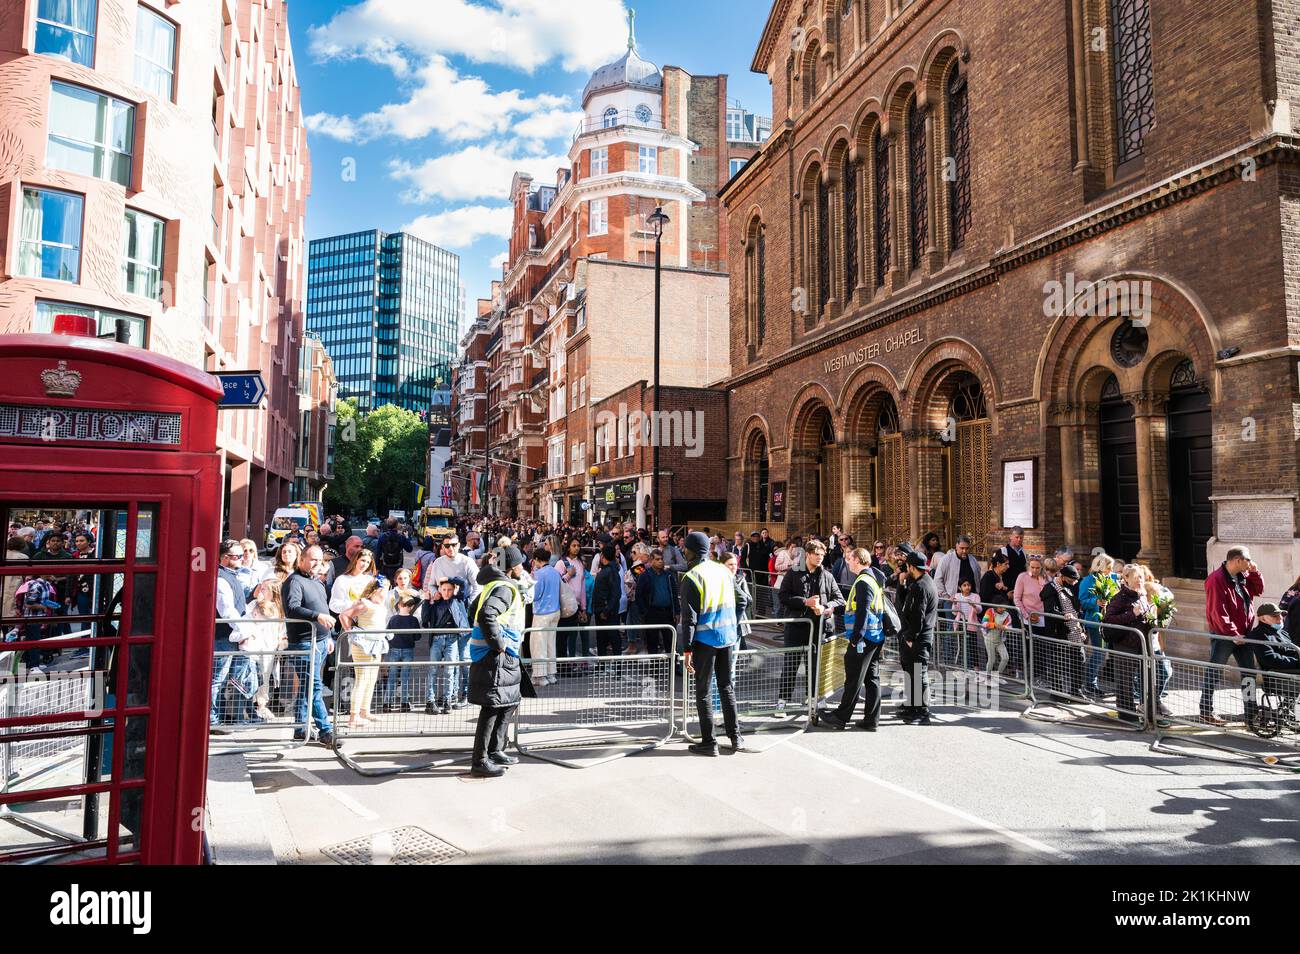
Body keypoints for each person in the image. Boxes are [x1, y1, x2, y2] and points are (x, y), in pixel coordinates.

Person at [679, 531, 744, 755]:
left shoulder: (692, 577)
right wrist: (733, 625)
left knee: (704, 692)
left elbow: (688, 620)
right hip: (727, 637)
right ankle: (736, 738)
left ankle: (709, 742)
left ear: (691, 551)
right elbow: (742, 599)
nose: (683, 552)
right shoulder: (723, 571)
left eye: (685, 548)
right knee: (726, 687)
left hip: (705, 640)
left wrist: (686, 650)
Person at [467, 545, 527, 778]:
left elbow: (475, 611)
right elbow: (485, 614)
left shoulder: (495, 585)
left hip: (501, 652)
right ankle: (481, 760)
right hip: (496, 654)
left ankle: (495, 749)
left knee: (506, 702)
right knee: (492, 706)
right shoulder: (504, 587)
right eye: (521, 562)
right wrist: (498, 643)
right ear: (512, 567)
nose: (523, 566)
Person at [820, 547, 886, 731]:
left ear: (857, 560)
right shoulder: (872, 578)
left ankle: (841, 717)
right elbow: (856, 606)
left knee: (853, 678)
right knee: (872, 678)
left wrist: (856, 638)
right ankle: (871, 720)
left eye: (850, 559)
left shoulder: (863, 581)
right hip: (875, 636)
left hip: (864, 638)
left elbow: (863, 611)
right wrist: (835, 609)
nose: (848, 562)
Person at [1200, 546, 1264, 725]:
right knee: (1214, 672)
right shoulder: (1216, 579)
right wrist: (1233, 634)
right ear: (1237, 560)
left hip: (1244, 634)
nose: (1250, 563)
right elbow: (1217, 611)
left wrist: (1255, 573)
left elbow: (1258, 590)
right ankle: (1205, 711)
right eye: (1248, 560)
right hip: (1225, 636)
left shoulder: (1243, 576)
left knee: (1249, 674)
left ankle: (1251, 713)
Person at [777, 539, 844, 708]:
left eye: (822, 554)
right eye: (816, 554)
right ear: (808, 554)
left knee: (815, 665)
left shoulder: (827, 575)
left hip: (819, 628)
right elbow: (783, 596)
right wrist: (805, 602)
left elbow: (839, 600)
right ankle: (783, 701)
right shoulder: (793, 573)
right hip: (796, 627)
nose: (820, 557)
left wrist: (826, 607)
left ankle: (813, 697)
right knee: (790, 665)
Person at [281, 545, 336, 746]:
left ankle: (300, 728)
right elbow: (293, 608)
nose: (317, 564)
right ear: (302, 559)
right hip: (304, 643)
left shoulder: (318, 583)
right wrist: (317, 616)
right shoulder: (294, 581)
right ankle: (326, 731)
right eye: (313, 559)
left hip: (321, 642)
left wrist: (328, 636)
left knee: (308, 687)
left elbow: (324, 607)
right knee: (313, 687)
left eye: (320, 560)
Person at [1102, 565, 1153, 724]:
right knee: (1125, 680)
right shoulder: (1120, 597)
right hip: (1125, 644)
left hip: (1143, 644)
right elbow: (1108, 620)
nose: (1140, 580)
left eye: (1141, 577)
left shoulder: (1142, 595)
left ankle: (1148, 709)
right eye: (1136, 577)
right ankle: (1126, 714)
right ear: (1126, 579)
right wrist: (1132, 614)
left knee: (1148, 677)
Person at [338, 579, 390, 728]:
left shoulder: (379, 605)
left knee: (372, 678)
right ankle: (353, 717)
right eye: (382, 591)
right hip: (363, 645)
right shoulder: (365, 603)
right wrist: (352, 633)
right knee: (362, 679)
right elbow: (344, 615)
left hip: (377, 644)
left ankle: (364, 711)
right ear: (375, 590)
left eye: (386, 591)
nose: (384, 594)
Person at [211, 539, 249, 735]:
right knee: (217, 679)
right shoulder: (221, 578)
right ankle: (212, 720)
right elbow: (227, 611)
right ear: (224, 558)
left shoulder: (231, 575)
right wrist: (244, 633)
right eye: (237, 556)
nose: (242, 559)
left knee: (228, 679)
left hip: (231, 636)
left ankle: (225, 716)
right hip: (224, 637)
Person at [897, 552, 938, 723]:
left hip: (918, 638)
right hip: (920, 636)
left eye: (908, 566)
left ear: (912, 567)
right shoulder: (925, 582)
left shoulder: (920, 586)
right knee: (911, 672)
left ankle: (921, 710)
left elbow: (917, 615)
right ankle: (911, 705)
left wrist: (910, 636)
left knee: (918, 673)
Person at [423, 577, 470, 714]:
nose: (447, 592)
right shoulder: (435, 604)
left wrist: (448, 579)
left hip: (452, 639)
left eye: (449, 589)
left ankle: (447, 700)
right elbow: (425, 621)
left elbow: (464, 583)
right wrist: (427, 601)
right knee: (433, 670)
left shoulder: (458, 600)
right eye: (444, 589)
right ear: (439, 590)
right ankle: (430, 701)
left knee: (449, 671)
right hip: (437, 639)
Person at [1078, 552, 1118, 699]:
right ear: (1100, 566)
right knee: (1100, 654)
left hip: (1111, 622)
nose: (1111, 571)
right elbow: (1082, 601)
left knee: (1106, 654)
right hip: (1095, 622)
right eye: (1109, 567)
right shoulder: (1088, 581)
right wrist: (1095, 602)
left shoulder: (1113, 578)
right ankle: (1090, 684)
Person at [635, 547, 680, 654]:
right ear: (651, 561)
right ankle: (653, 669)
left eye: (661, 559)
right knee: (652, 643)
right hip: (651, 612)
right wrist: (644, 612)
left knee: (671, 642)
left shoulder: (668, 575)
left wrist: (677, 612)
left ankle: (673, 668)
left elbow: (674, 594)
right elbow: (639, 595)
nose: (660, 561)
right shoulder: (645, 575)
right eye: (657, 559)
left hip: (667, 612)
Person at [530, 548, 562, 686]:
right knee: (550, 643)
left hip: (542, 612)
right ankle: (551, 673)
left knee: (538, 644)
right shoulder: (555, 572)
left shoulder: (539, 574)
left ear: (537, 559)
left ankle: (540, 676)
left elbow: (535, 595)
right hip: (555, 610)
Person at [591, 543, 623, 658]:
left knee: (610, 638)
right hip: (605, 609)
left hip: (606, 611)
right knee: (603, 639)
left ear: (603, 556)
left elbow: (616, 593)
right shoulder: (610, 570)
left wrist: (606, 610)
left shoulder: (609, 571)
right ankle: (603, 664)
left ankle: (616, 667)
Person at [330, 548, 379, 615]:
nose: (365, 564)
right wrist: (354, 604)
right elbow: (334, 605)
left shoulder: (370, 580)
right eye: (363, 560)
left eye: (368, 562)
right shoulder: (342, 579)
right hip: (348, 620)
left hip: (367, 621)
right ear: (356, 560)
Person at [376, 518, 412, 582]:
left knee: (385, 585)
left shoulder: (382, 537)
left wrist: (377, 567)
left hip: (385, 565)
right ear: (396, 525)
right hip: (398, 565)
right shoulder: (401, 537)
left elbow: (378, 553)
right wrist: (407, 537)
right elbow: (409, 549)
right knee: (397, 585)